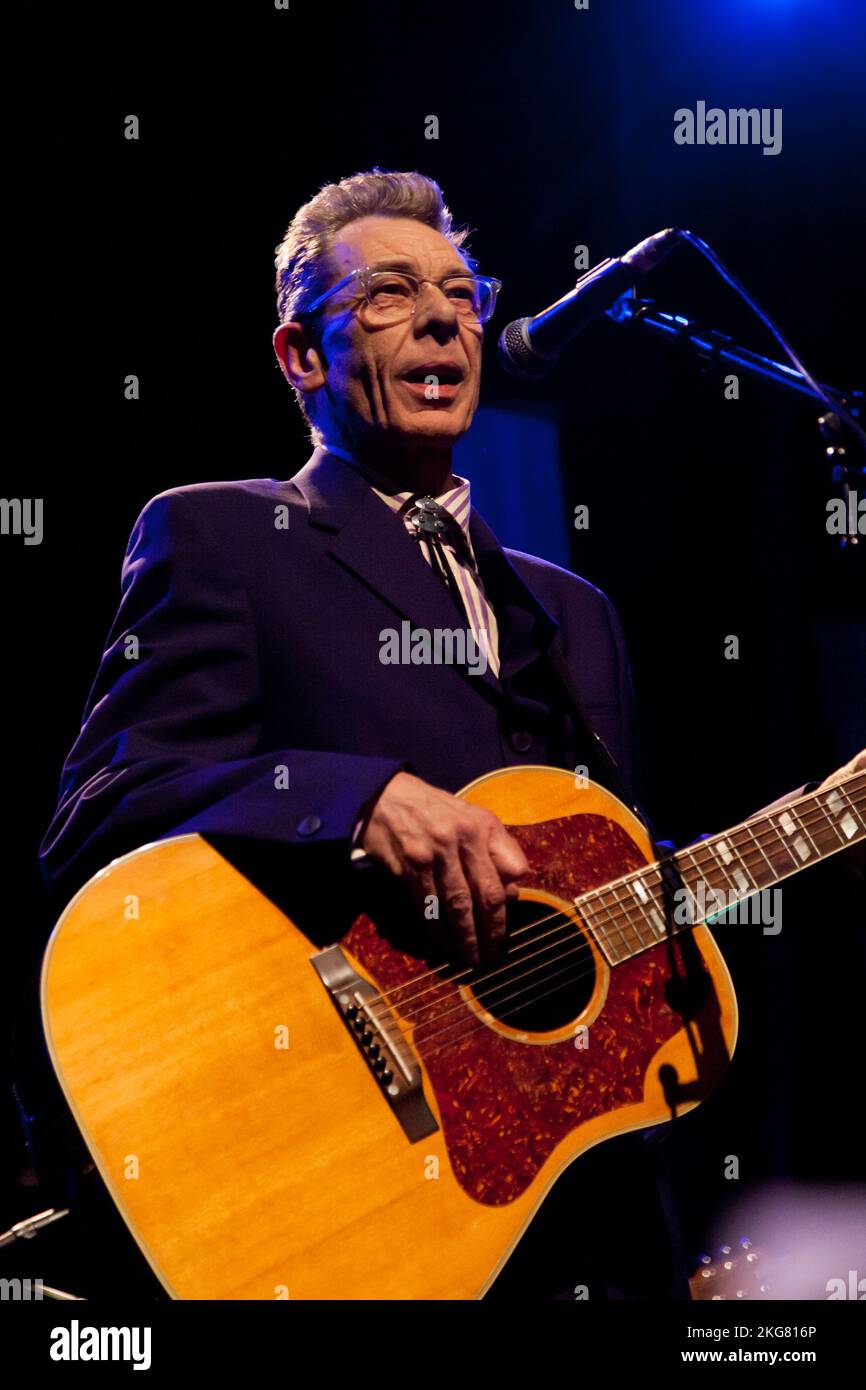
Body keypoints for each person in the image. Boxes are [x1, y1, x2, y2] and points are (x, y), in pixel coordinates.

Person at [38, 169, 865, 1299]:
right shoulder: (223, 535)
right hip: (329, 1171)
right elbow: (103, 806)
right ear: (301, 355)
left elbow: (593, 886)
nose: (442, 317)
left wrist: (815, 825)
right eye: (387, 294)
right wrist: (356, 798)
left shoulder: (570, 612)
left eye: (460, 293)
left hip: (565, 1213)